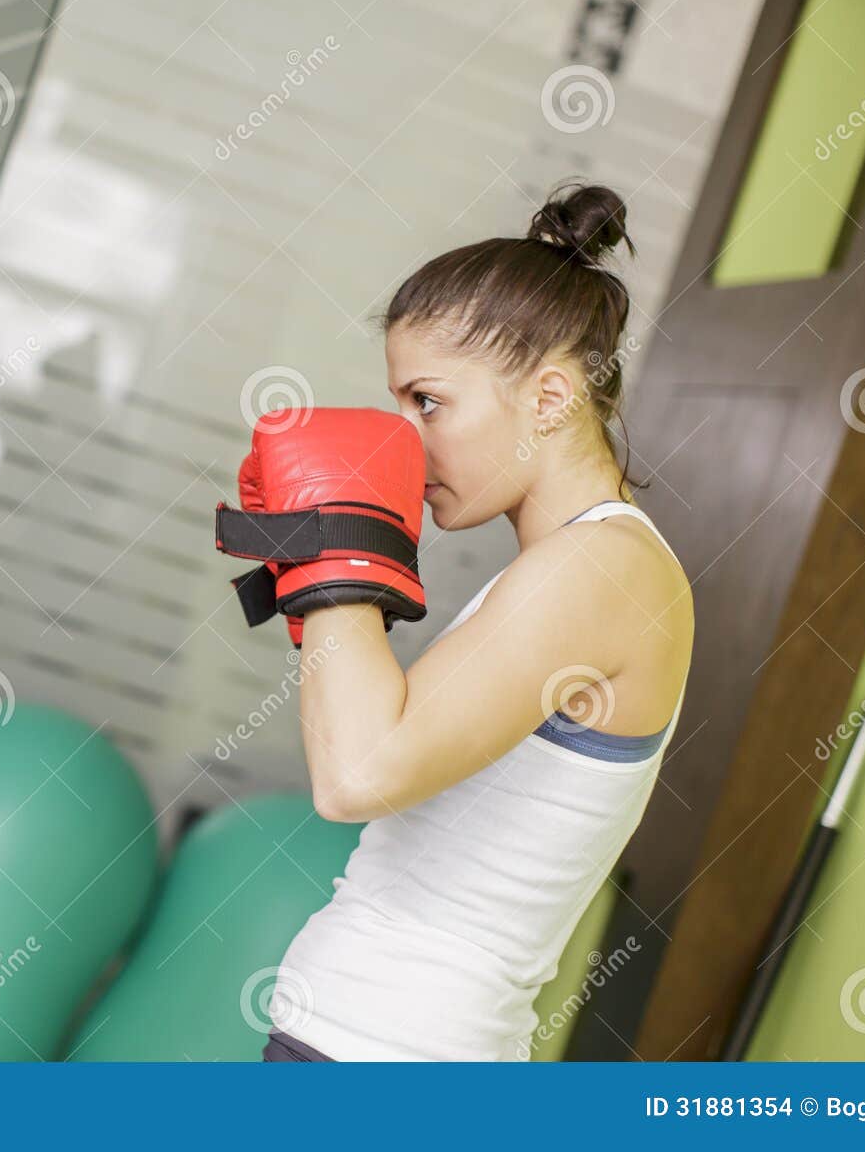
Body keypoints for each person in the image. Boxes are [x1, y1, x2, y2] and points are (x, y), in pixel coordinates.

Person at [235, 181, 694, 1061]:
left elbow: (356, 775)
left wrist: (336, 549)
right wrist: (326, 555)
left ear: (550, 398)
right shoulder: (569, 566)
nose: (405, 438)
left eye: (429, 401)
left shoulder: (601, 570)